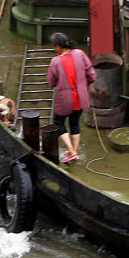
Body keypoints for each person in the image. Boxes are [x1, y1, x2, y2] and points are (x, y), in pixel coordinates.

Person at [46, 32, 97, 163]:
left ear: (57, 47)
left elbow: (51, 81)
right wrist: (87, 85)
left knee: (58, 123)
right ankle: (74, 152)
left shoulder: (56, 61)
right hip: (81, 97)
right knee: (74, 123)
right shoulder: (80, 53)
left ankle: (71, 151)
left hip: (65, 99)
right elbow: (92, 75)